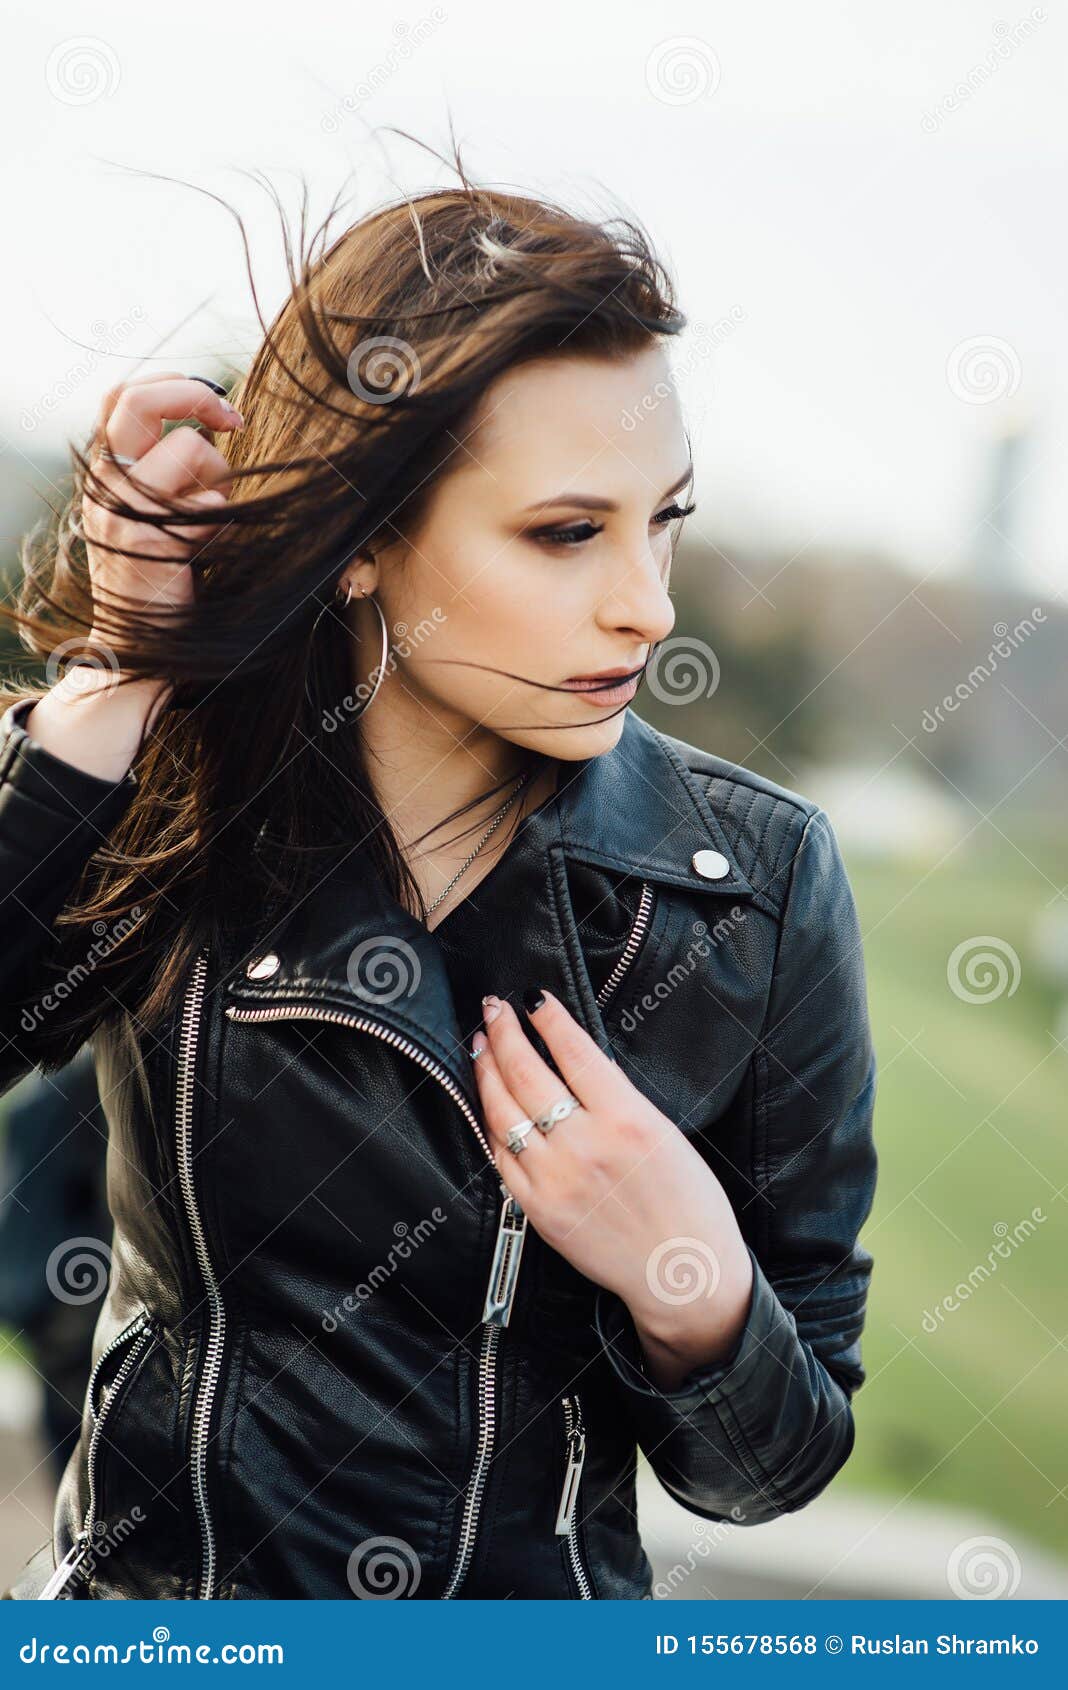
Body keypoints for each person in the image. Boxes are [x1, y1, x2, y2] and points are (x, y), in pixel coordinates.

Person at [0, 168, 877, 1600]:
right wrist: (119, 680)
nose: (649, 603)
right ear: (356, 543)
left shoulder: (758, 883)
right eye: (564, 531)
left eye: (666, 518)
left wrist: (691, 1275)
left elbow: (770, 1467)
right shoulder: (173, 795)